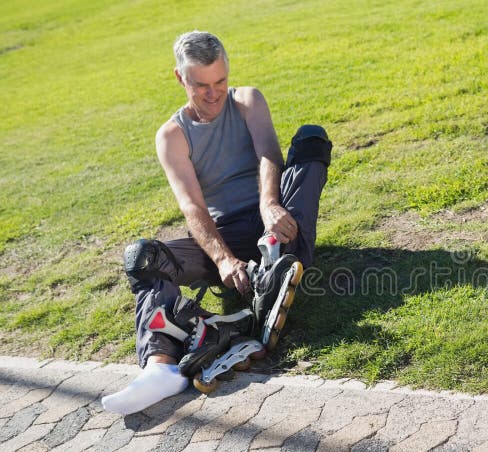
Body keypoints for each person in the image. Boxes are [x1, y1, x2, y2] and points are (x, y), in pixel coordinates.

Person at [102, 31, 331, 415]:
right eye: (201, 85)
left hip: (275, 218)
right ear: (180, 78)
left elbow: (269, 153)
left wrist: (270, 205)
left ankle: (272, 271)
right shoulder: (172, 136)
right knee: (142, 258)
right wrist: (224, 259)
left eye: (220, 81)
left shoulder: (246, 101)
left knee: (311, 141)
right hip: (226, 236)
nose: (213, 94)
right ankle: (160, 368)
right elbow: (192, 207)